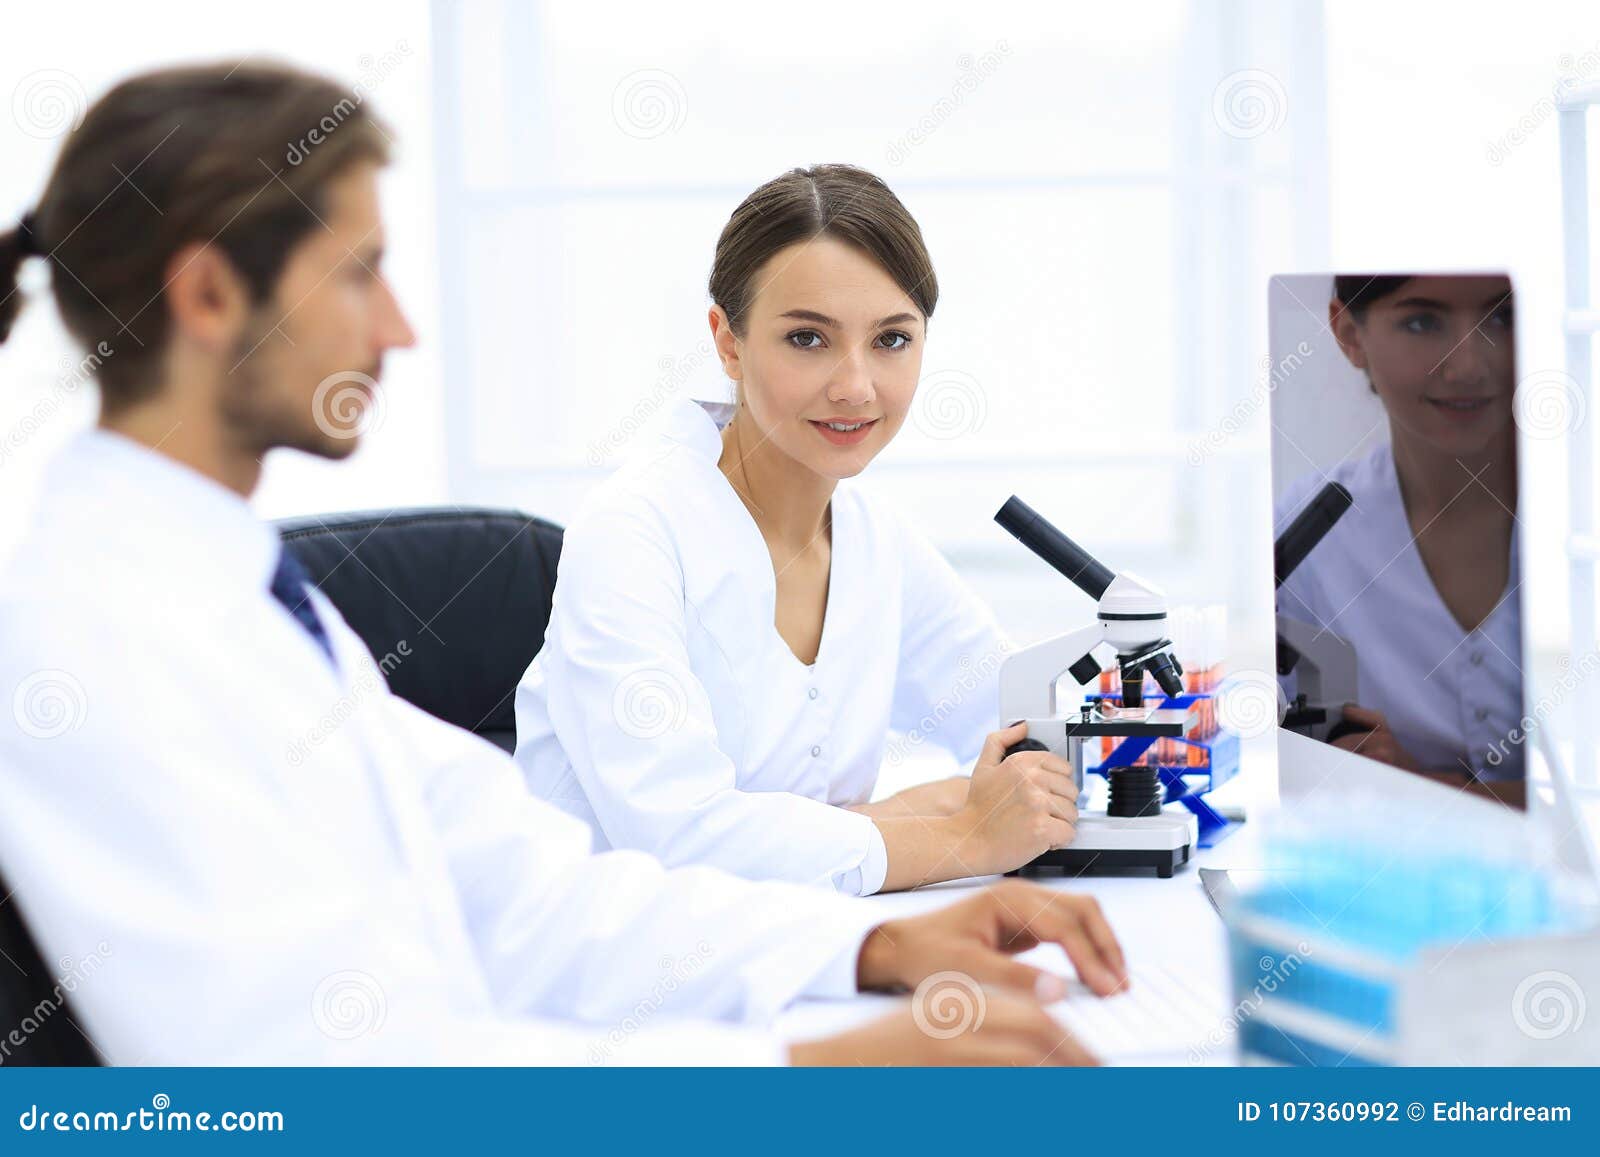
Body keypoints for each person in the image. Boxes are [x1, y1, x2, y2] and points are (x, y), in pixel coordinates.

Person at [0, 62, 1128, 1066]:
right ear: (207, 296)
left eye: (890, 337)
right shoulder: (92, 637)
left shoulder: (239, 594)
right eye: (360, 273)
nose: (399, 328)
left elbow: (534, 893)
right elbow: (321, 1077)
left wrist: (872, 942)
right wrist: (815, 1071)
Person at [514, 166, 1077, 894]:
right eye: (808, 338)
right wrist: (958, 831)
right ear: (728, 341)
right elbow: (681, 840)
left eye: (892, 339)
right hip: (616, 976)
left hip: (815, 949)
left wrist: (1146, 713)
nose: (855, 386)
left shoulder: (875, 538)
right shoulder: (632, 534)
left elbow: (1014, 712)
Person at [1275, 274, 1524, 808]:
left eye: (1502, 318)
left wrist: (1417, 788)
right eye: (1422, 322)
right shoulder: (1305, 534)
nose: (1468, 366)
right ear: (1349, 334)